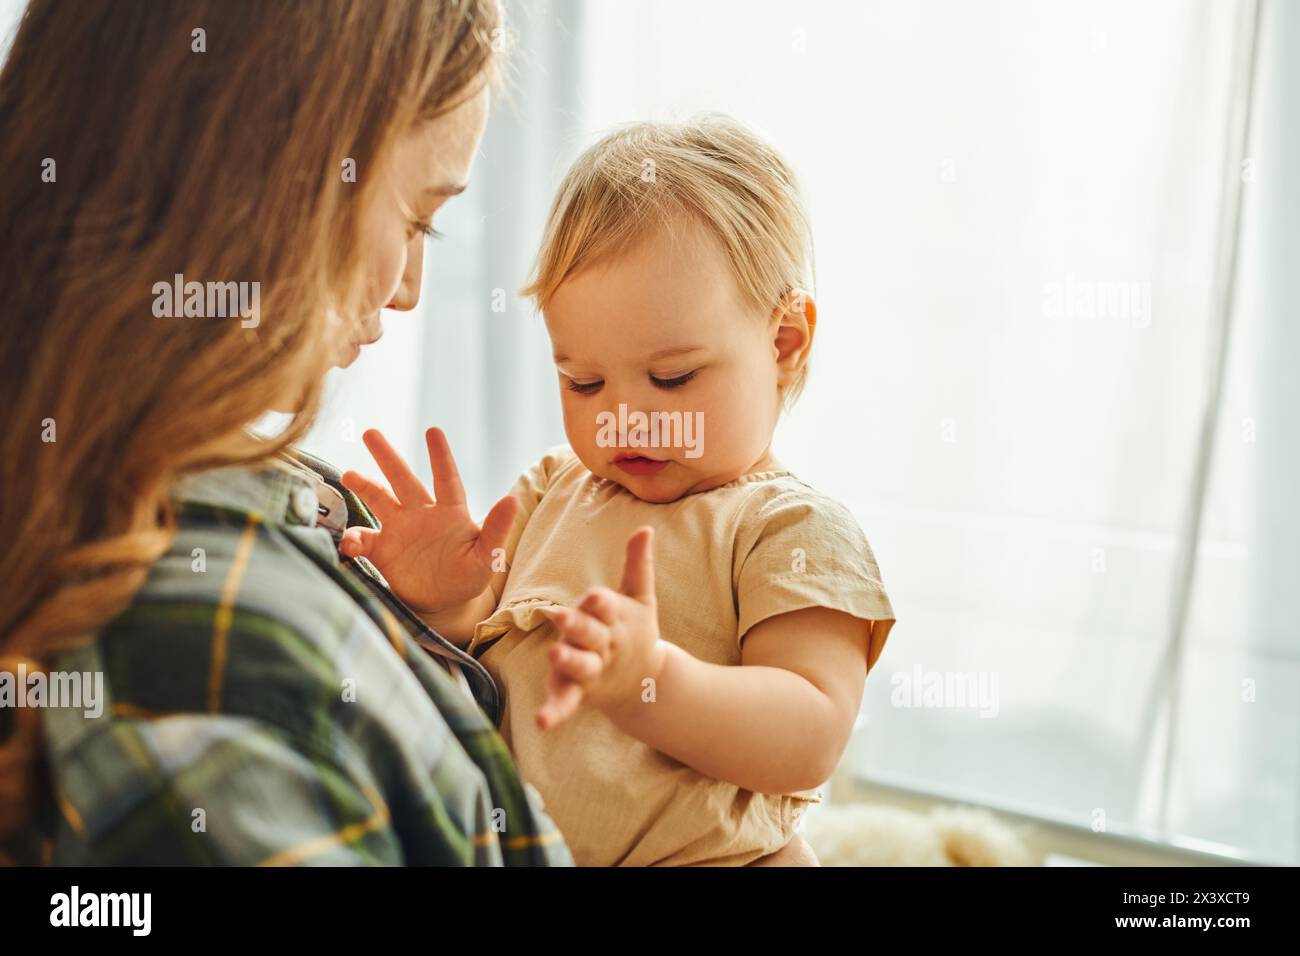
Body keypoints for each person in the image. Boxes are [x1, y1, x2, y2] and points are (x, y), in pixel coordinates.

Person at [0, 0, 570, 866]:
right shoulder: (195, 673)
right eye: (417, 218)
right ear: (263, 179)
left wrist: (434, 633)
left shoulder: (272, 498)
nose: (410, 289)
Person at [341, 116, 898, 866]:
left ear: (783, 343)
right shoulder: (553, 491)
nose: (622, 419)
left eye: (671, 379)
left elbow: (811, 734)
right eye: (584, 381)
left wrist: (652, 681)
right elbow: (490, 657)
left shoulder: (791, 529)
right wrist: (450, 601)